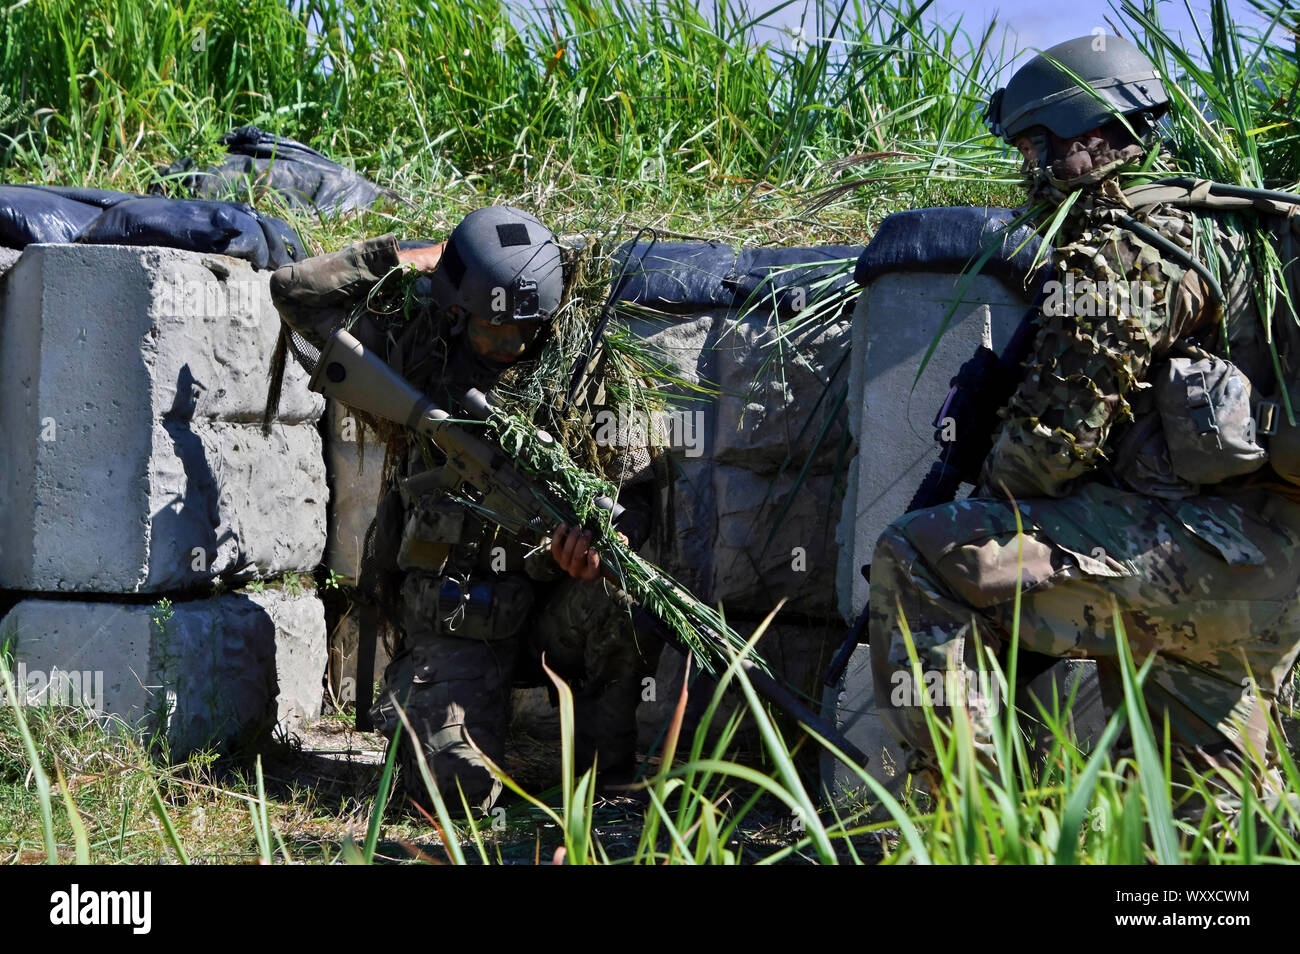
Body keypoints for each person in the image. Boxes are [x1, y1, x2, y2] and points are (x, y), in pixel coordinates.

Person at [868, 34, 1300, 817]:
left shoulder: (1126, 247)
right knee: (1201, 817)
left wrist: (987, 466)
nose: (1027, 170)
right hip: (1269, 582)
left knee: (919, 559)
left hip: (1193, 562)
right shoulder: (1239, 228)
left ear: (1088, 137)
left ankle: (978, 833)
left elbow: (1046, 454)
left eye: (1035, 145)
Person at [269, 206, 661, 812]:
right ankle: (433, 715)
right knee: (456, 795)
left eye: (525, 331)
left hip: (544, 610)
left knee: (621, 593)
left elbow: (637, 487)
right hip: (455, 622)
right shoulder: (415, 351)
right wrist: (424, 263)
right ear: (454, 312)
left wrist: (599, 544)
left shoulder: (578, 373)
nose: (510, 347)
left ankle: (606, 776)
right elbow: (296, 290)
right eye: (491, 329)